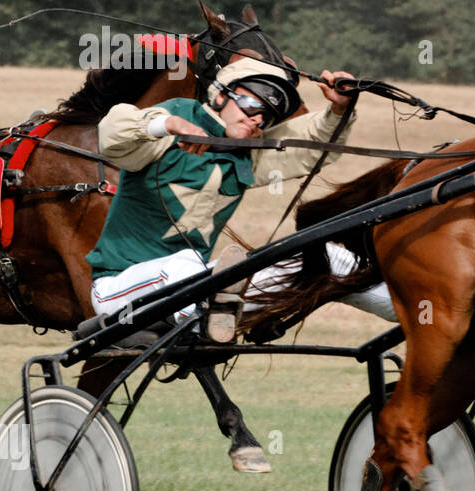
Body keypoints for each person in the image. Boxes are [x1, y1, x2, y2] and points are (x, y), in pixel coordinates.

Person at [86, 55, 396, 339]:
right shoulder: (174, 118)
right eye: (251, 104)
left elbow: (310, 141)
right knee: (183, 263)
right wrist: (165, 124)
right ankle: (206, 315)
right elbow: (112, 134)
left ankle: (421, 310)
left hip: (201, 287)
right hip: (120, 291)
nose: (258, 119)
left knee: (322, 255)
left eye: (268, 115)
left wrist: (340, 109)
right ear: (221, 95)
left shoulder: (249, 152)